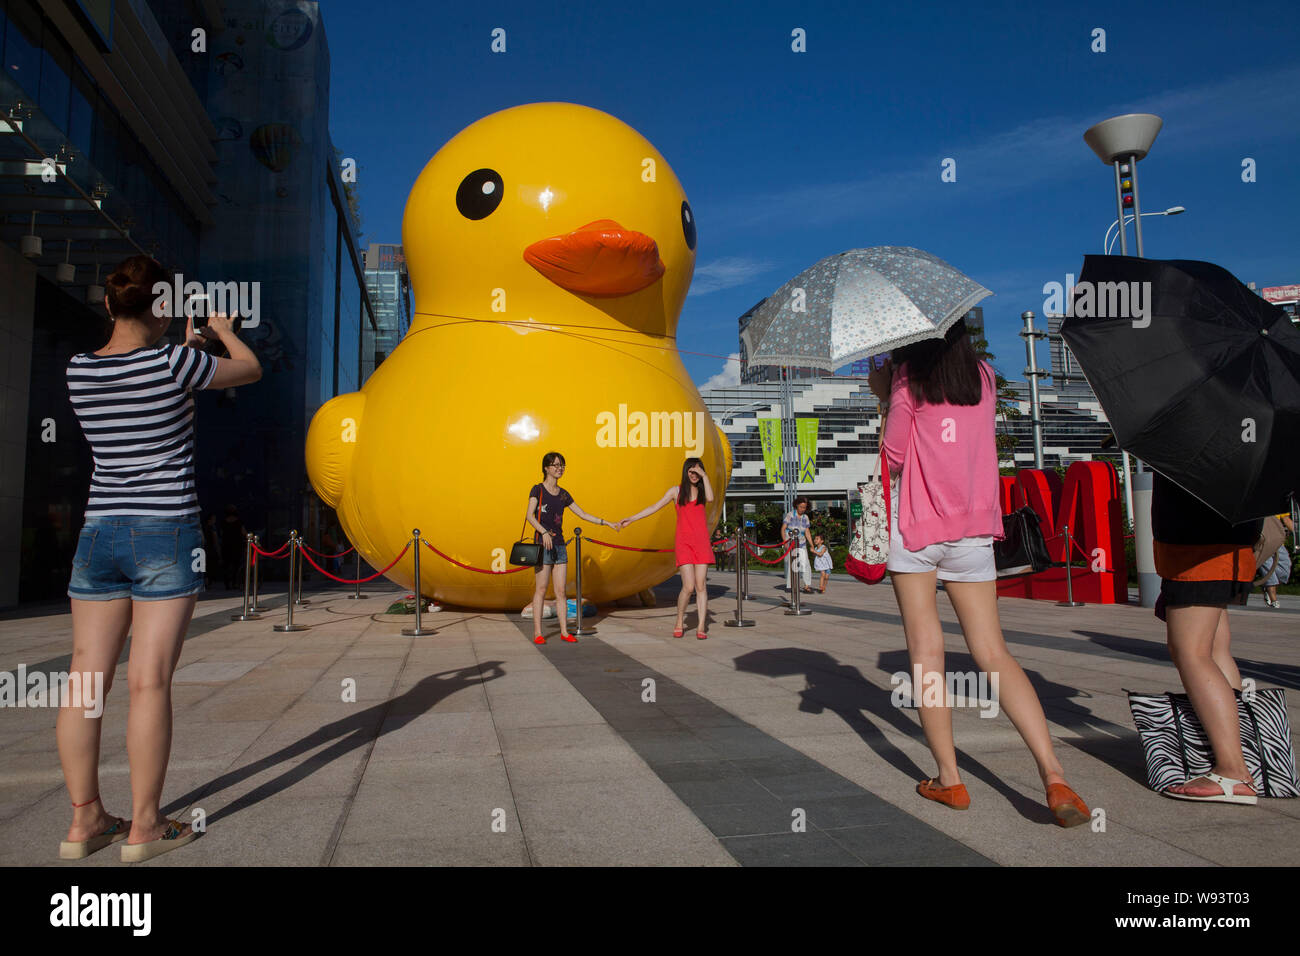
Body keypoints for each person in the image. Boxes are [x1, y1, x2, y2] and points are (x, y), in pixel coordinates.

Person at [60, 254, 262, 861]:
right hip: (165, 532)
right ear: (164, 307)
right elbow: (248, 370)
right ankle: (145, 827)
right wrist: (222, 332)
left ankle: (83, 822)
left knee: (85, 679)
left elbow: (133, 387)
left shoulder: (78, 371)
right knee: (148, 681)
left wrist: (178, 343)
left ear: (107, 305)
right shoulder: (176, 362)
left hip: (98, 533)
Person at [867, 319, 1090, 827]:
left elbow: (894, 458)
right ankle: (1054, 776)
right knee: (993, 652)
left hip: (918, 529)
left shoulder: (906, 381)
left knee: (927, 654)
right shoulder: (985, 377)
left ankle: (950, 780)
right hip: (973, 533)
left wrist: (886, 397)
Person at [1151, 473, 1263, 803]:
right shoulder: (1244, 427)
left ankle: (1232, 769)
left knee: (1191, 651)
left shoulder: (1195, 426)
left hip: (1197, 546)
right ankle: (1240, 756)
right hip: (1228, 541)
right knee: (1214, 649)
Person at [524, 452, 616, 645]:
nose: (559, 468)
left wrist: (606, 523)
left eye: (562, 465)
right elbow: (529, 515)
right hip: (543, 545)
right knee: (541, 589)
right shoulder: (537, 490)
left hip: (559, 547)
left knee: (561, 592)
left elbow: (582, 514)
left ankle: (565, 631)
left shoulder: (564, 494)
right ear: (546, 468)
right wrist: (544, 532)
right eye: (556, 465)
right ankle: (538, 632)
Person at [619, 458, 715, 639]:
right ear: (686, 472)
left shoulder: (703, 491)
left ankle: (701, 626)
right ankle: (679, 620)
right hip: (684, 543)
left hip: (701, 542)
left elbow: (711, 498)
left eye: (698, 472)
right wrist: (632, 518)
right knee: (688, 586)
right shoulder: (676, 491)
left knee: (701, 586)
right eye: (691, 472)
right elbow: (655, 506)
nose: (694, 475)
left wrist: (704, 475)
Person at [782, 496, 815, 593]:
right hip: (791, 541)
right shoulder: (790, 515)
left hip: (802, 542)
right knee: (793, 564)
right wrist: (785, 542)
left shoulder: (805, 517)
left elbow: (807, 531)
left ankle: (807, 585)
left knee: (806, 563)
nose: (802, 509)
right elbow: (783, 528)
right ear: (797, 505)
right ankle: (790, 585)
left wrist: (811, 544)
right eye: (801, 507)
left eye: (804, 507)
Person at [220, 504, 247, 590]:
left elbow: (221, 534)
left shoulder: (223, 522)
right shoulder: (239, 522)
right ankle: (235, 583)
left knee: (226, 565)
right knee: (236, 565)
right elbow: (244, 532)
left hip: (226, 545)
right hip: (237, 545)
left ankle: (227, 583)